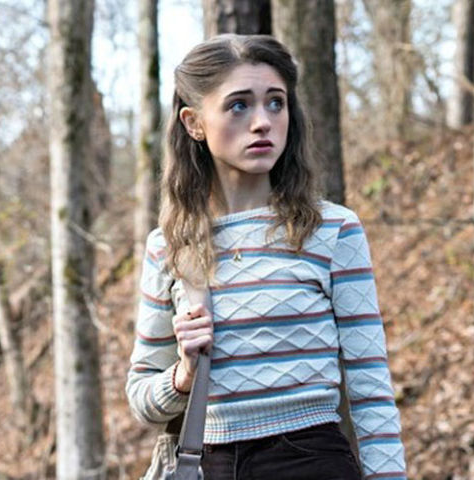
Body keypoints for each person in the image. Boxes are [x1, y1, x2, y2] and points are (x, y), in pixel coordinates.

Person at [127, 34, 407, 480]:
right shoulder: (170, 246)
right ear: (194, 123)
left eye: (276, 103)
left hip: (313, 464)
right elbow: (141, 398)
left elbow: (370, 387)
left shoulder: (332, 230)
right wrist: (183, 374)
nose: (262, 122)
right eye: (239, 105)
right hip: (209, 466)